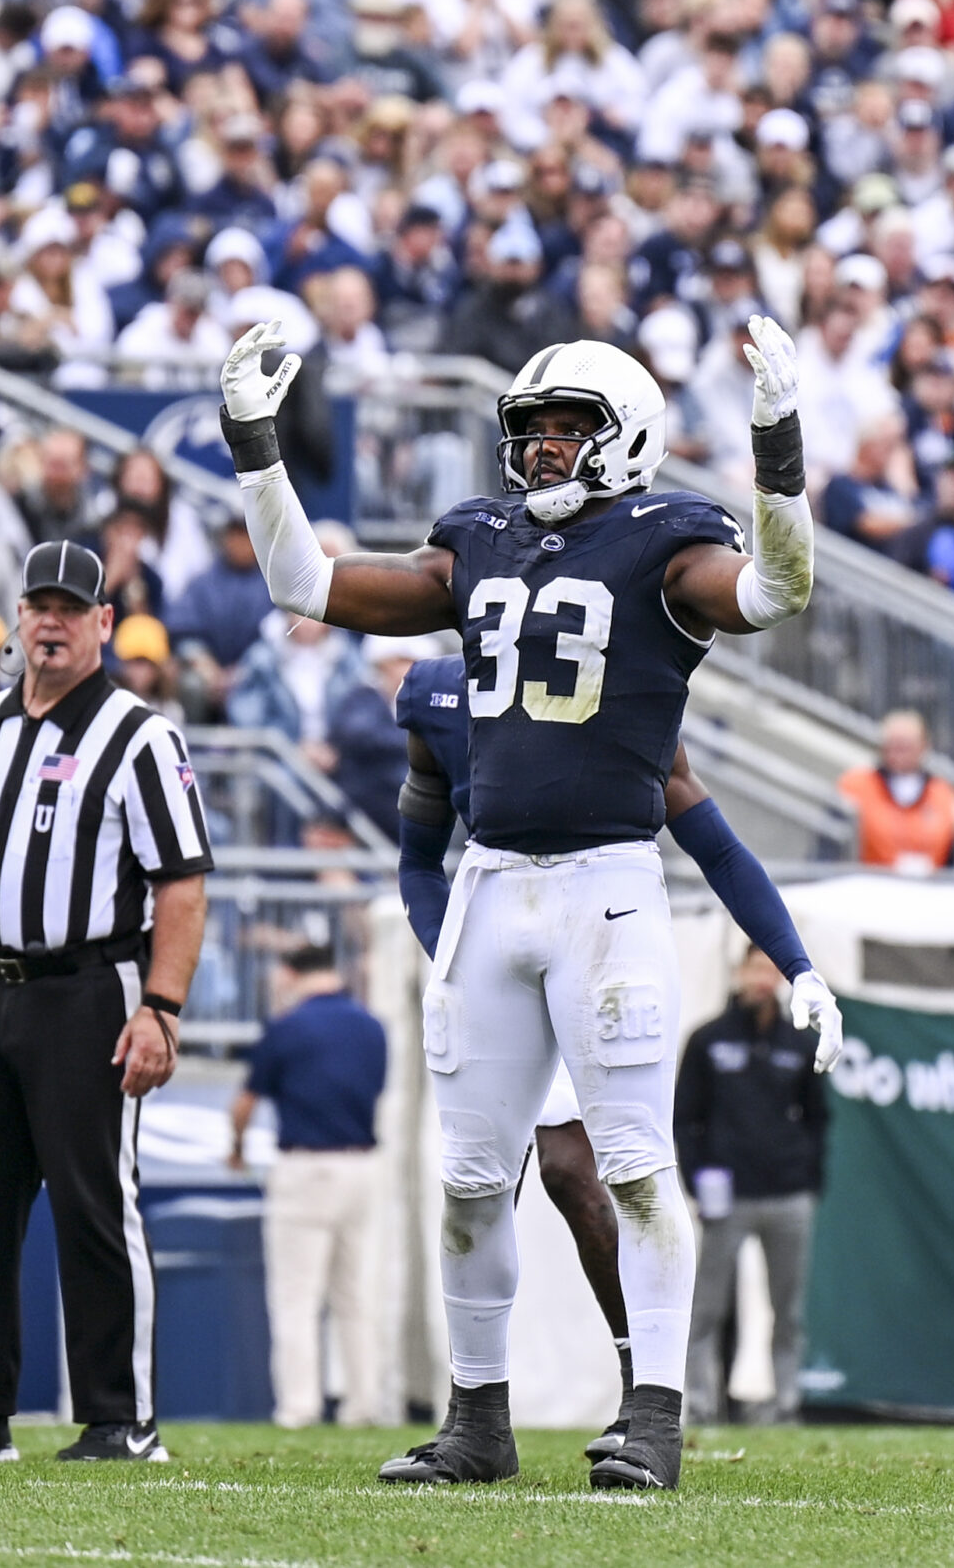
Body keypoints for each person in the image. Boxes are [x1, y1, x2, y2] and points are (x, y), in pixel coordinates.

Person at [226, 315, 829, 1491]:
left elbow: (776, 589)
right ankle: (477, 1419)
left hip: (607, 887)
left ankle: (652, 1416)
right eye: (532, 430)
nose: (544, 449)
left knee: (635, 1167)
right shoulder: (480, 542)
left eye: (569, 430)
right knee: (465, 1179)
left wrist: (777, 453)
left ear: (626, 439)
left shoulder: (668, 540)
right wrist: (256, 447)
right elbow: (306, 581)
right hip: (489, 889)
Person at [393, 648, 832, 1458]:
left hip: (598, 932)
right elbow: (419, 859)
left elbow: (715, 839)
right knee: (475, 1181)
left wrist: (794, 960)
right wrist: (453, 949)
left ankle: (649, 1397)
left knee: (593, 1170)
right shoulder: (435, 693)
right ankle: (478, 1414)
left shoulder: (608, 674)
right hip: (500, 943)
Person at [0, 541, 211, 1464]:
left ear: (102, 624)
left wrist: (161, 1006)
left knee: (94, 1205)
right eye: (37, 604)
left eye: (69, 607)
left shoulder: (139, 734)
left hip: (89, 987)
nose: (50, 621)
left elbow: (183, 883)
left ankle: (121, 1419)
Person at [227, 940, 388, 1431]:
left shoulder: (288, 1027)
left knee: (295, 1298)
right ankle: (364, 1404)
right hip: (362, 1167)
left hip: (305, 1169)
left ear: (292, 973)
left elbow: (245, 1103)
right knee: (354, 1297)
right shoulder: (372, 1027)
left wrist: (235, 1148)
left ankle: (300, 1407)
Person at [675, 943, 829, 1425]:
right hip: (728, 1197)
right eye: (755, 966)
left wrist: (808, 1178)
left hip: (786, 1194)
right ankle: (700, 1403)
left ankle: (785, 1403)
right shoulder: (707, 1040)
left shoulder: (798, 1043)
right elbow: (686, 1120)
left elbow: (819, 1119)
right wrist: (699, 1183)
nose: (762, 978)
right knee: (708, 1308)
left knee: (788, 1309)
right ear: (738, 972)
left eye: (770, 968)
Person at [837, 708, 954, 872]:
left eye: (906, 746)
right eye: (893, 744)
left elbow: (952, 861)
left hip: (928, 889)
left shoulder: (942, 793)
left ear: (923, 746)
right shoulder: (856, 786)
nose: (898, 753)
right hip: (871, 886)